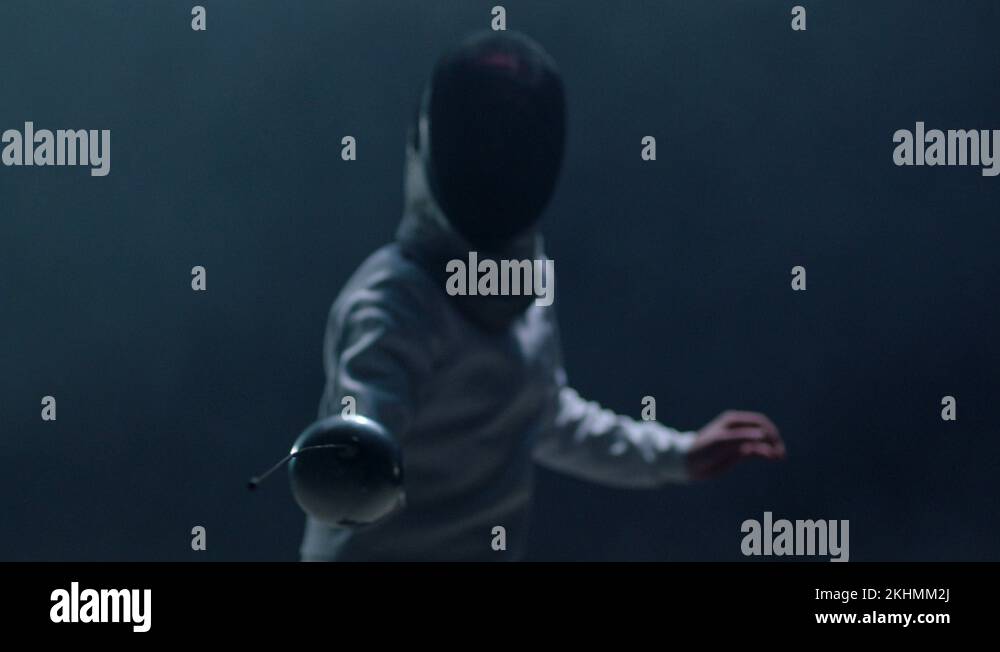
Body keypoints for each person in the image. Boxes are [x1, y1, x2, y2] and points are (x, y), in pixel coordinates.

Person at [300, 30, 785, 561]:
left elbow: (543, 416)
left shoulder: (527, 282)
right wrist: (342, 459)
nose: (497, 152)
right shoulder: (393, 300)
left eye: (511, 133)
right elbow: (359, 439)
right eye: (481, 133)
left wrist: (679, 455)